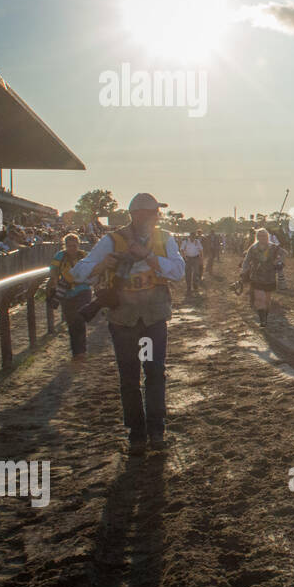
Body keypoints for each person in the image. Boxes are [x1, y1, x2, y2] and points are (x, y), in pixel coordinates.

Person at [69, 192, 185, 455]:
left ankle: (157, 430)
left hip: (154, 318)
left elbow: (178, 272)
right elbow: (79, 272)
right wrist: (102, 264)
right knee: (129, 378)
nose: (157, 217)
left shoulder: (164, 238)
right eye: (153, 212)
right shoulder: (111, 240)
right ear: (139, 215)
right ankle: (137, 434)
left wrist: (148, 257)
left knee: (155, 373)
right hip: (123, 320)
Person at [47, 232, 93, 360]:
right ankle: (76, 351)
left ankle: (81, 350)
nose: (72, 248)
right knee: (71, 322)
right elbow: (53, 270)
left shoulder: (84, 255)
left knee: (79, 319)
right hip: (67, 293)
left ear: (78, 245)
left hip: (83, 290)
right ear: (65, 245)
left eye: (74, 245)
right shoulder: (60, 256)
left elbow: (93, 269)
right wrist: (55, 282)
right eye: (69, 246)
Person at [240, 228, 284, 326]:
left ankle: (265, 316)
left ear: (267, 237)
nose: (262, 238)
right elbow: (246, 260)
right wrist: (244, 270)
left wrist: (278, 261)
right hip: (256, 276)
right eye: (260, 236)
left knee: (267, 300)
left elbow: (284, 254)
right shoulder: (253, 248)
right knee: (259, 298)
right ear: (257, 237)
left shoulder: (273, 247)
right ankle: (262, 319)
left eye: (264, 236)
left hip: (270, 277)